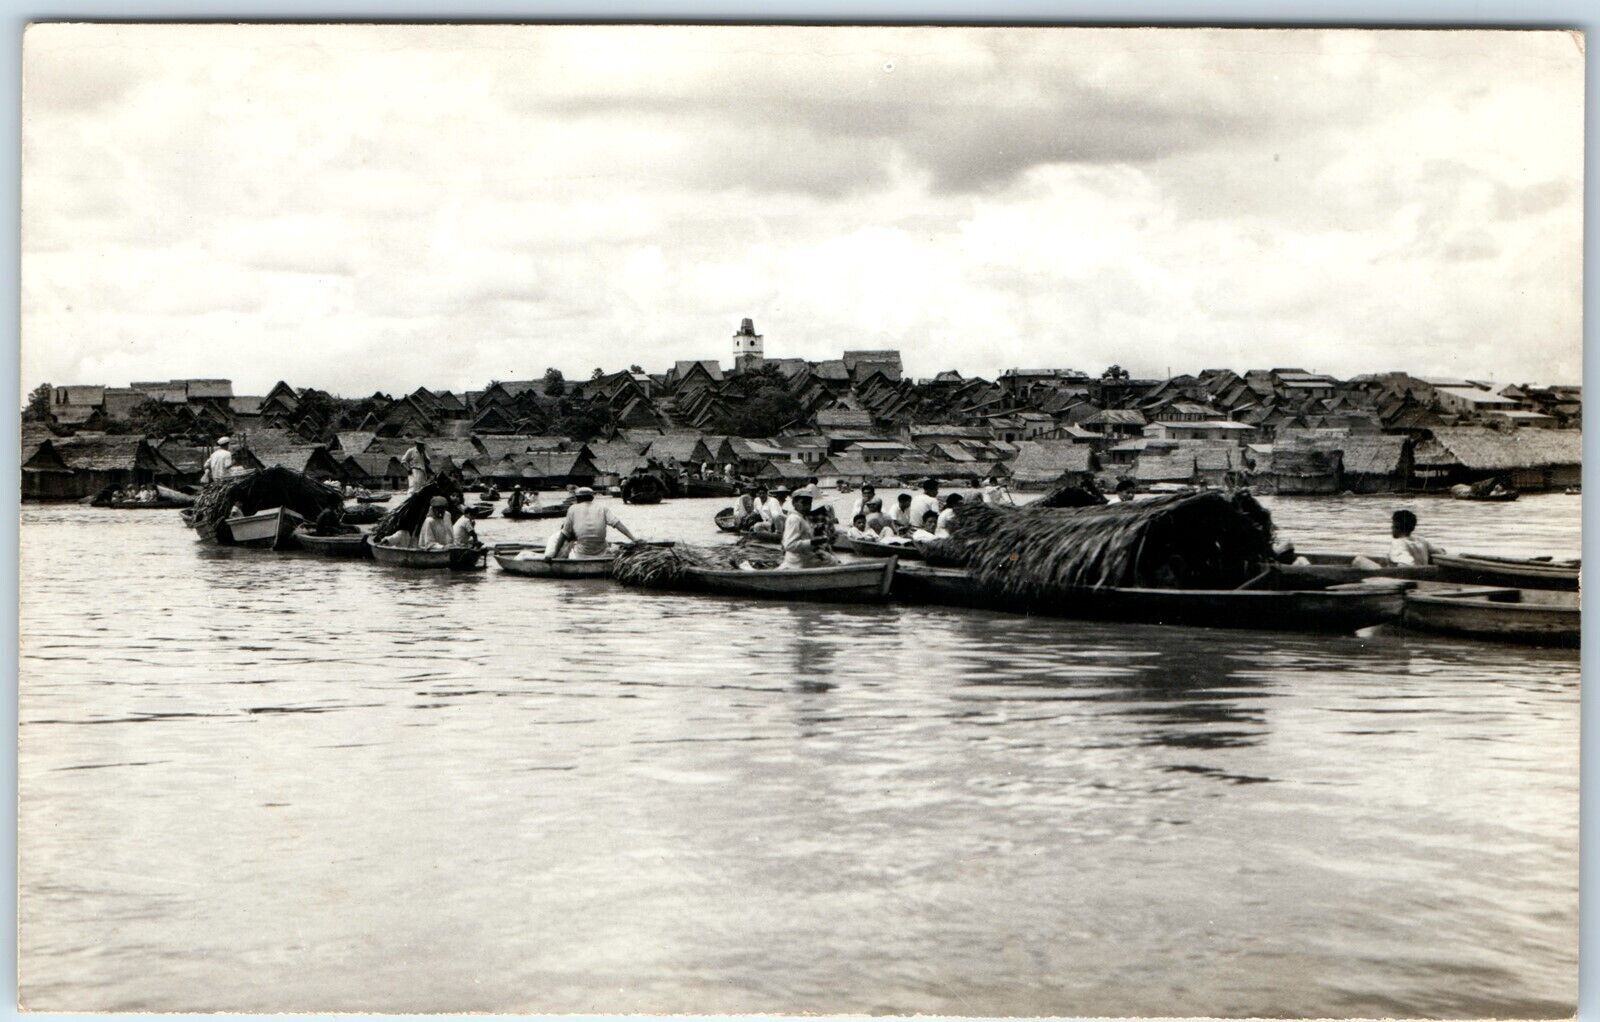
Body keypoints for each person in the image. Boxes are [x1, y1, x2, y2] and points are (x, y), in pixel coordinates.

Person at [549, 486, 636, 560]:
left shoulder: (572, 509)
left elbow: (564, 534)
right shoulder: (602, 508)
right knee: (611, 547)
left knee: (572, 547)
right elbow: (618, 524)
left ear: (577, 499)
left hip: (581, 555)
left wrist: (553, 555)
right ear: (592, 498)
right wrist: (634, 539)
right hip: (602, 553)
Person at [778, 492, 833, 570]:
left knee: (828, 557)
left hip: (802, 556)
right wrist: (813, 542)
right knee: (831, 561)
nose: (807, 506)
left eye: (809, 503)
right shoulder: (795, 519)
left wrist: (816, 548)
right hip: (799, 561)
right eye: (803, 503)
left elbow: (805, 539)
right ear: (794, 503)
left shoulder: (803, 517)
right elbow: (789, 545)